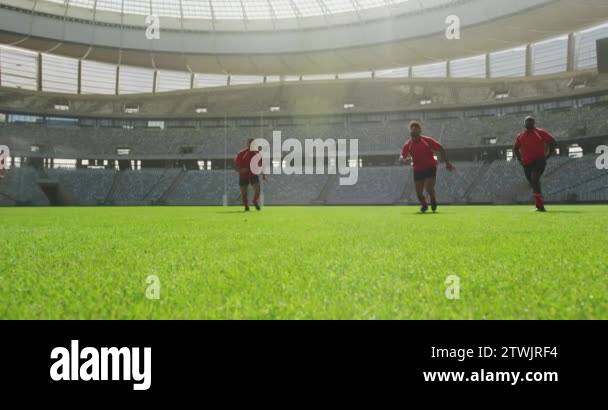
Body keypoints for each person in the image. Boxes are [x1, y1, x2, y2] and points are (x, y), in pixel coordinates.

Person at [400, 121, 454, 213]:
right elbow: (403, 155)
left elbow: (440, 148)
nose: (414, 130)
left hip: (430, 167)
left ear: (419, 130)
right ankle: (424, 204)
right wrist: (402, 158)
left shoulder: (427, 140)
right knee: (419, 194)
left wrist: (447, 162)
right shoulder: (408, 144)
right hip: (417, 169)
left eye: (416, 129)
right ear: (410, 131)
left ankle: (433, 199)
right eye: (412, 129)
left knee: (429, 188)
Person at [513, 116, 557, 212]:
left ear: (534, 123)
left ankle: (540, 206)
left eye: (530, 122)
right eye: (527, 122)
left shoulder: (540, 132)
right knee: (533, 183)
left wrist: (549, 154)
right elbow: (515, 148)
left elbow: (553, 142)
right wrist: (519, 159)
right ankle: (539, 204)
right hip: (526, 163)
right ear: (524, 123)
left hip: (539, 161)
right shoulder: (520, 136)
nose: (528, 123)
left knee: (535, 178)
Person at [234, 138, 266, 212]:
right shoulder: (241, 153)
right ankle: (246, 206)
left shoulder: (257, 154)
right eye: (250, 143)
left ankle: (254, 201)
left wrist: (263, 175)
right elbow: (235, 166)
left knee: (258, 190)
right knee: (244, 193)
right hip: (243, 176)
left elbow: (262, 165)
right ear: (247, 144)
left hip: (253, 175)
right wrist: (241, 170)